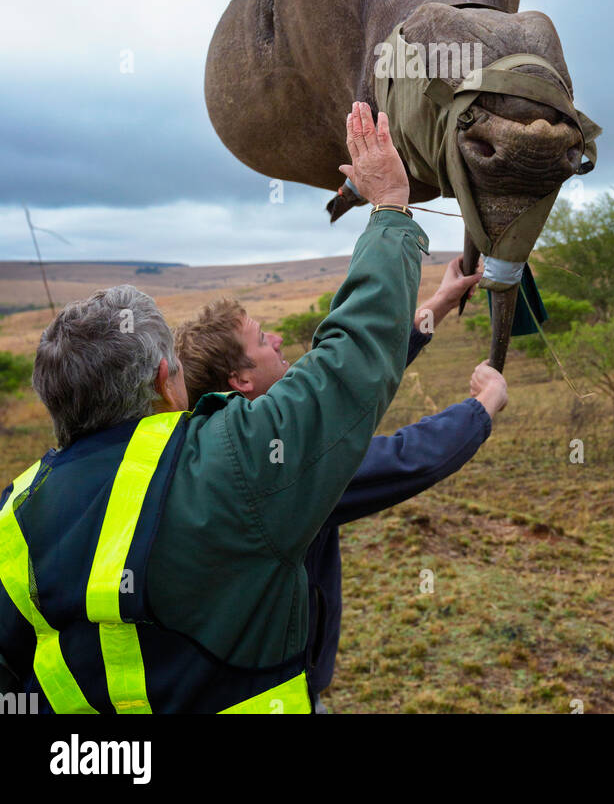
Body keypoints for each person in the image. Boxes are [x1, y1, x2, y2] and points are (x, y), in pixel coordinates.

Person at [0, 103, 461, 714]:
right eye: (263, 337)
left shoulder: (14, 516)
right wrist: (391, 211)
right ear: (167, 382)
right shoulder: (231, 460)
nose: (276, 343)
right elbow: (347, 371)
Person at [174, 261, 507, 710]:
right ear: (241, 380)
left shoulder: (215, 441)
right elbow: (403, 461)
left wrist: (439, 304)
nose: (276, 339)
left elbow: (353, 377)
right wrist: (482, 407)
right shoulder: (276, 470)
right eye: (260, 339)